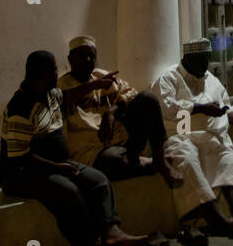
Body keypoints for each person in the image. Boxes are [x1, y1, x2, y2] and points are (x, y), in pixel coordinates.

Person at [0, 49, 150, 246]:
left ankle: (112, 233)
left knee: (99, 181)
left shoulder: (50, 94)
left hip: (55, 164)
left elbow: (69, 95)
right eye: (53, 69)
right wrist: (59, 168)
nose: (57, 72)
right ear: (42, 74)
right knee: (69, 194)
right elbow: (20, 159)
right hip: (22, 173)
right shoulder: (19, 109)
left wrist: (97, 85)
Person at [152, 38, 233, 246]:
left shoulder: (210, 78)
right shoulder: (169, 77)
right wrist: (200, 108)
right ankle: (220, 222)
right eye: (200, 60)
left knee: (228, 156)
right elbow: (167, 109)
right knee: (187, 157)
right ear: (186, 58)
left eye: (207, 59)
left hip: (209, 135)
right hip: (179, 134)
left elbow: (226, 104)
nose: (205, 65)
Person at [58, 35, 177, 184]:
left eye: (91, 56)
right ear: (70, 59)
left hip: (122, 142)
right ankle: (145, 163)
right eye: (82, 56)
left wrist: (111, 112)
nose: (88, 60)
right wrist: (94, 85)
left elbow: (130, 92)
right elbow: (61, 98)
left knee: (148, 98)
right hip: (92, 152)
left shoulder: (101, 76)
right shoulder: (61, 85)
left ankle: (159, 160)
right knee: (112, 161)